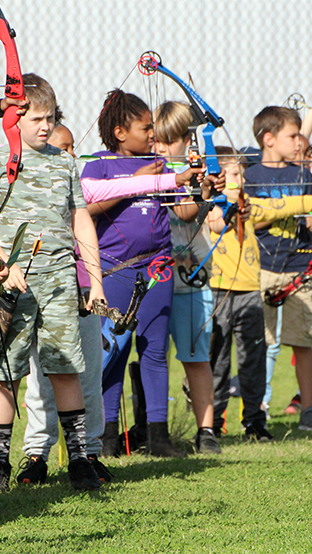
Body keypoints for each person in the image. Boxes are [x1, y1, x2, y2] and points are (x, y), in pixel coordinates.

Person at [0, 73, 105, 491]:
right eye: (35, 119)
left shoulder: (65, 162)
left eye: (50, 117)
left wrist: (95, 282)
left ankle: (81, 459)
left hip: (60, 280)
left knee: (65, 366)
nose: (45, 126)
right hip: (11, 283)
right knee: (6, 370)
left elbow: (80, 218)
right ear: (12, 119)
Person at [82, 89, 214, 458]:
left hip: (157, 268)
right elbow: (87, 207)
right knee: (115, 351)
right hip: (114, 271)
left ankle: (158, 436)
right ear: (121, 132)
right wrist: (139, 180)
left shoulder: (160, 163)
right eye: (146, 128)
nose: (153, 135)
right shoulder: (99, 164)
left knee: (155, 351)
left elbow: (185, 211)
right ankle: (106, 438)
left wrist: (203, 192)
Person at [210, 146, 312, 437]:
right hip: (219, 293)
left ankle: (254, 420)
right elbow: (217, 224)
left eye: (241, 174)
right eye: (233, 175)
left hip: (249, 292)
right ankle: (213, 423)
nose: (241, 180)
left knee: (253, 360)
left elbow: (284, 206)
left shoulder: (250, 206)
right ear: (217, 178)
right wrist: (229, 208)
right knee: (218, 361)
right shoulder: (210, 208)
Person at [246, 106, 312, 432]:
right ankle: (258, 407)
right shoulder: (252, 177)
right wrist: (286, 209)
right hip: (262, 268)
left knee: (302, 341)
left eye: (299, 135)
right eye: (292, 136)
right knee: (262, 342)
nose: (299, 142)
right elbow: (254, 217)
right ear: (269, 139)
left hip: (299, 267)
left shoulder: (302, 175)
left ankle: (308, 407)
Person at [152, 100, 222, 454]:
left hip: (190, 277)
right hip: (154, 277)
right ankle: (151, 428)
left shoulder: (196, 172)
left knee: (195, 356)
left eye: (171, 141)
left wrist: (207, 189)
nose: (162, 149)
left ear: (188, 141)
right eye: (157, 141)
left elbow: (193, 210)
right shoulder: (151, 171)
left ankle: (206, 431)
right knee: (152, 355)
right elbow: (182, 207)